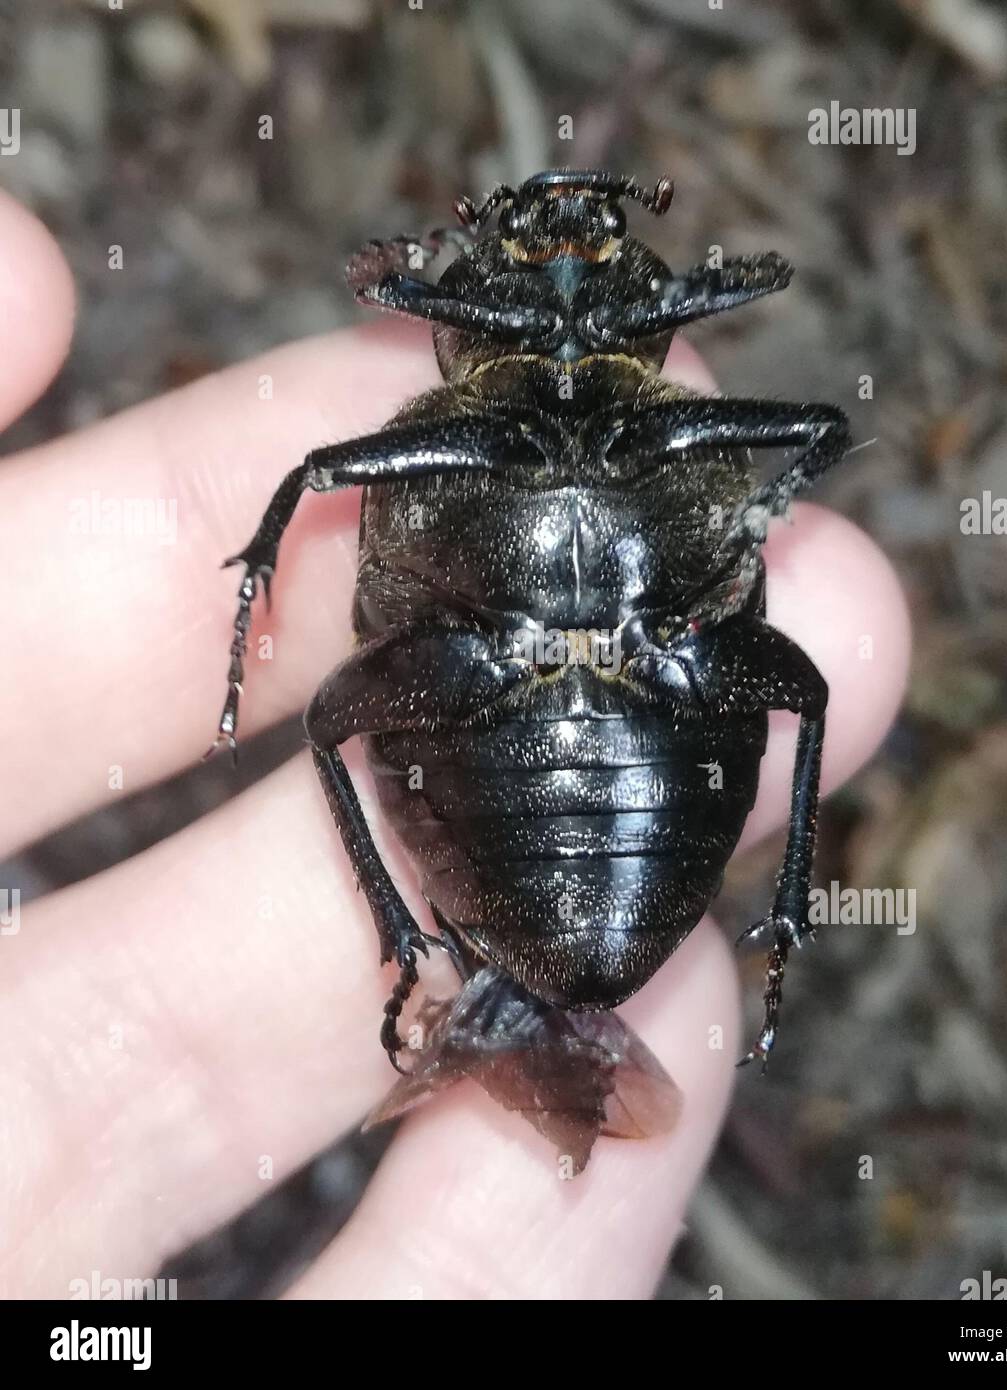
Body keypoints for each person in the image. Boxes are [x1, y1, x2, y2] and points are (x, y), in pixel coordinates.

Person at [0, 188, 908, 1299]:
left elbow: (809, 425)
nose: (565, 291)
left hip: (584, 703)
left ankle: (520, 953)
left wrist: (750, 519)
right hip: (574, 689)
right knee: (342, 713)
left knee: (799, 689)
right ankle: (419, 951)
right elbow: (318, 464)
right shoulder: (466, 433)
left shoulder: (592, 425)